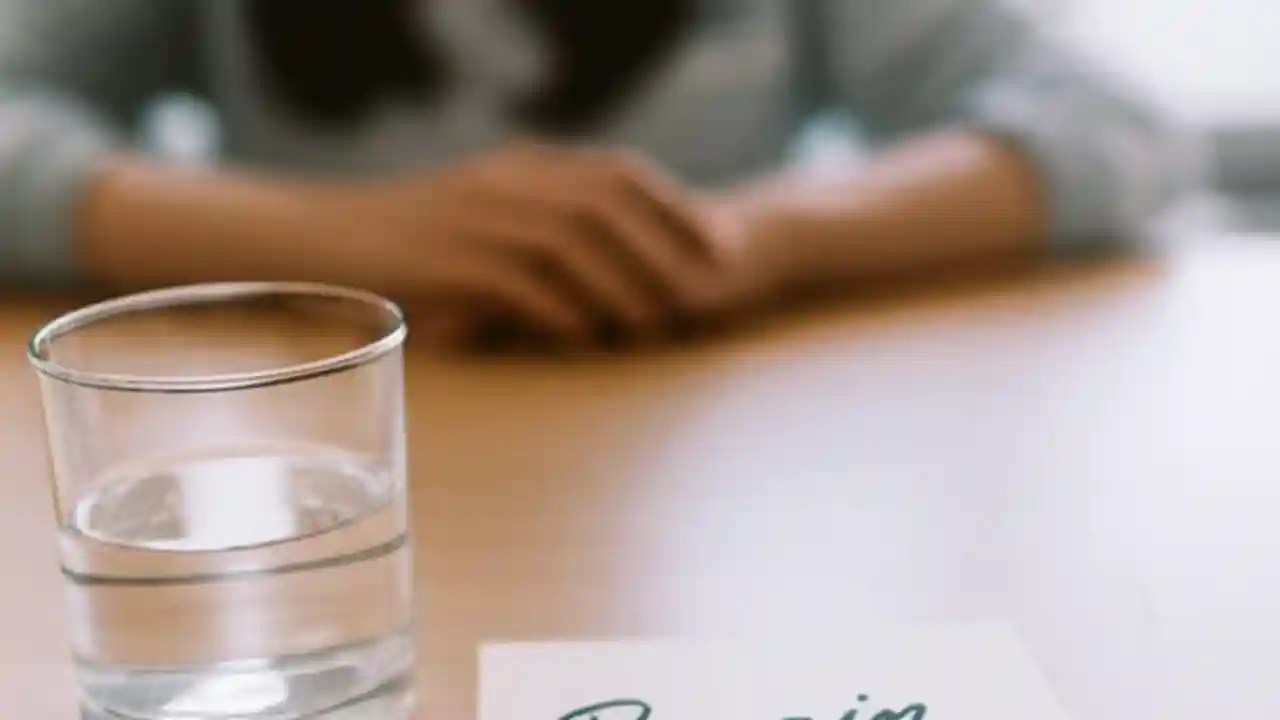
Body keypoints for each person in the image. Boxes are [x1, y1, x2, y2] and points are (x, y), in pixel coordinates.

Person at [0, 0, 1194, 348]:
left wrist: (757, 237)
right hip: (320, 456)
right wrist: (336, 237)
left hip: (717, 469)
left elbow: (1117, 126)